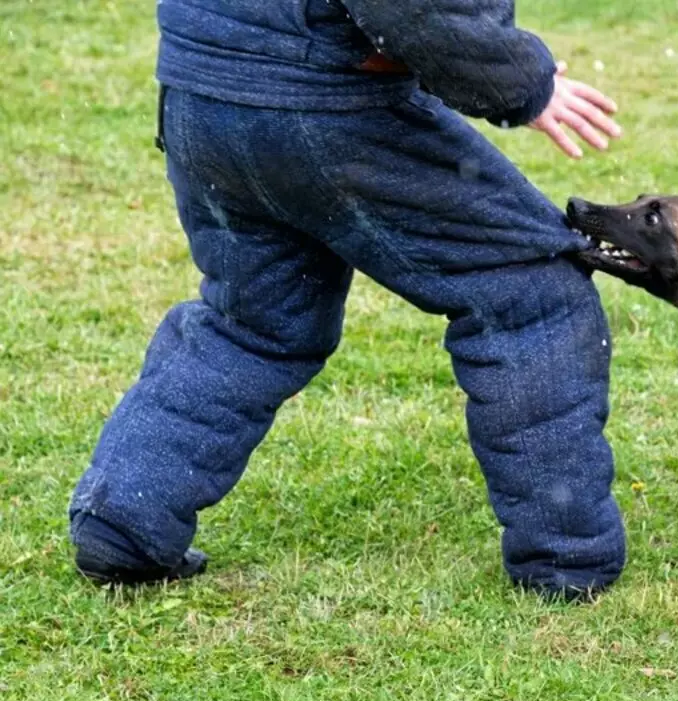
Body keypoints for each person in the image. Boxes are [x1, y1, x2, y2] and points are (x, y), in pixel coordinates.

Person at [69, 0, 627, 601]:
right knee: (531, 293)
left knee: (254, 325)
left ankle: (122, 525)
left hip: (201, 93)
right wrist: (523, 85)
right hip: (323, 100)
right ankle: (565, 560)